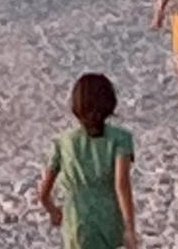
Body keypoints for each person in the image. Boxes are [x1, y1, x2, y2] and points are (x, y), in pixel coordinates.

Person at [37, 73, 138, 249]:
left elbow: (44, 192)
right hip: (109, 220)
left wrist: (53, 211)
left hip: (76, 220)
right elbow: (122, 185)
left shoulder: (62, 142)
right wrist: (129, 228)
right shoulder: (121, 139)